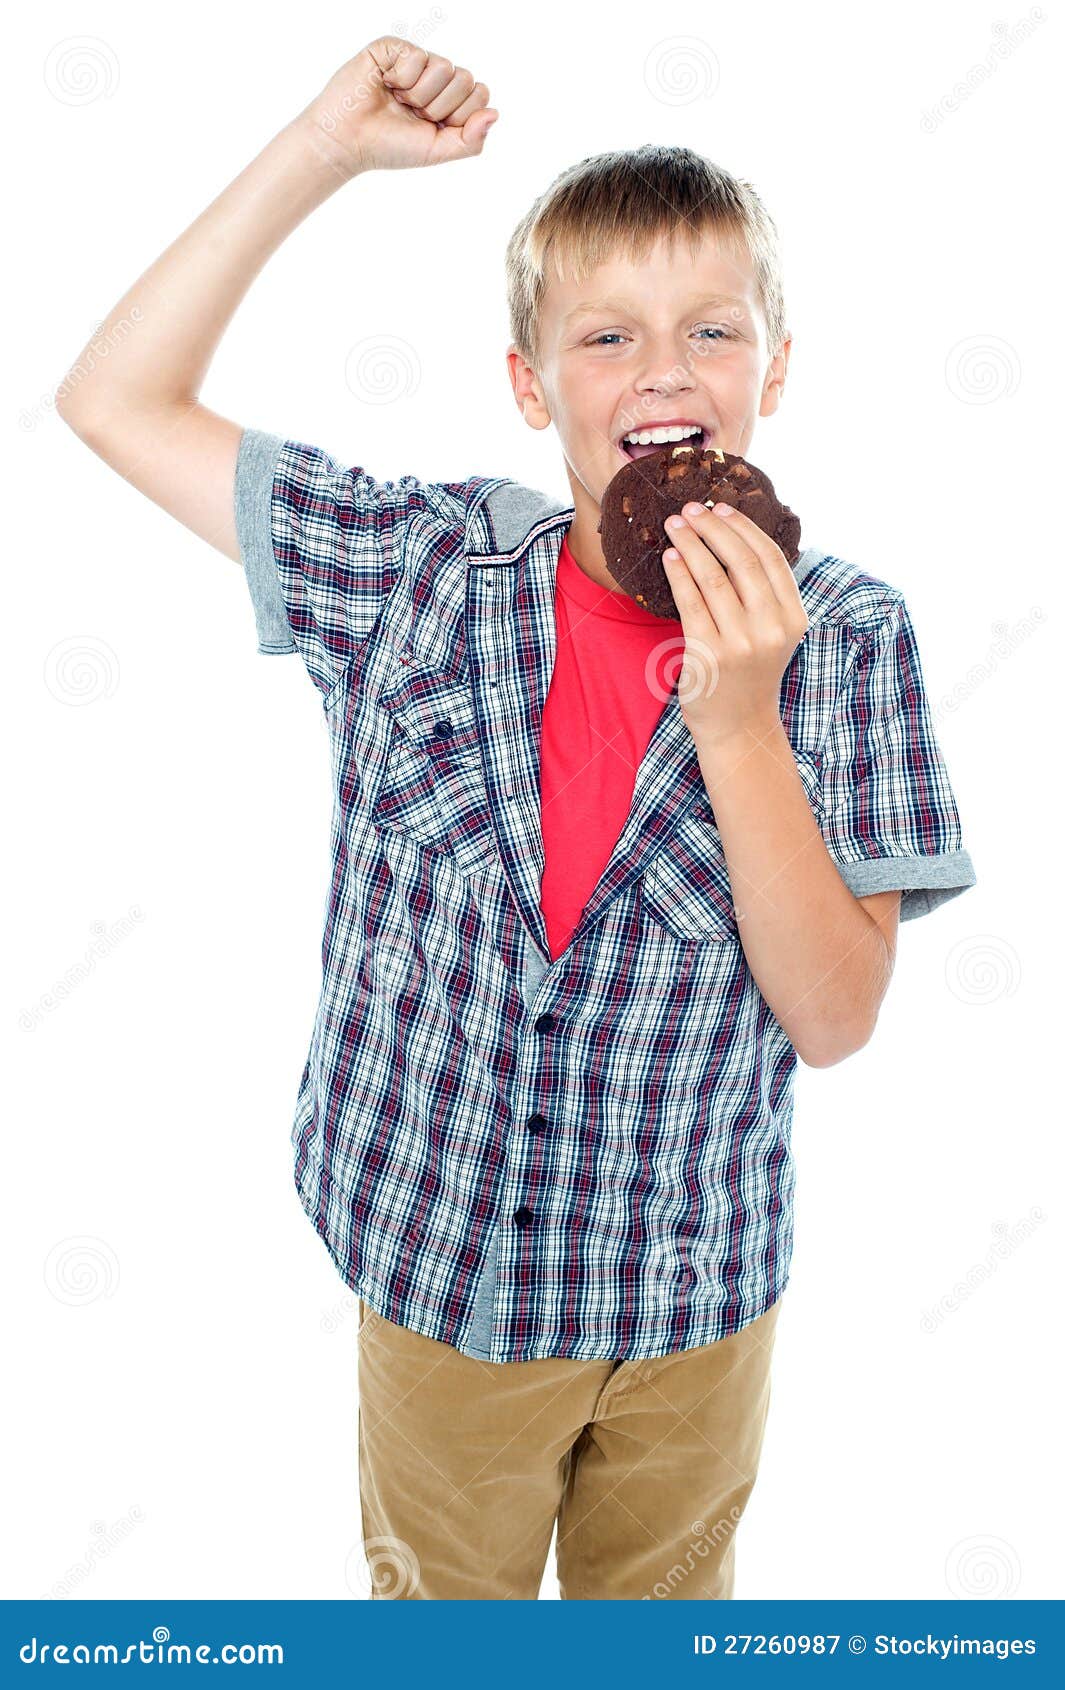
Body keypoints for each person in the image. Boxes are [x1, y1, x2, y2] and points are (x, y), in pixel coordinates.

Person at [55, 36, 978, 1601]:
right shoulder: (412, 572)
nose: (663, 372)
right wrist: (321, 147)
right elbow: (112, 399)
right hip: (441, 1276)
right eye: (606, 336)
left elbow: (832, 1019)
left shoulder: (849, 639)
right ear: (529, 384)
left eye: (711, 329)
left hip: (690, 1299)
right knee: (439, 1625)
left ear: (772, 371)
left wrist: (738, 720)